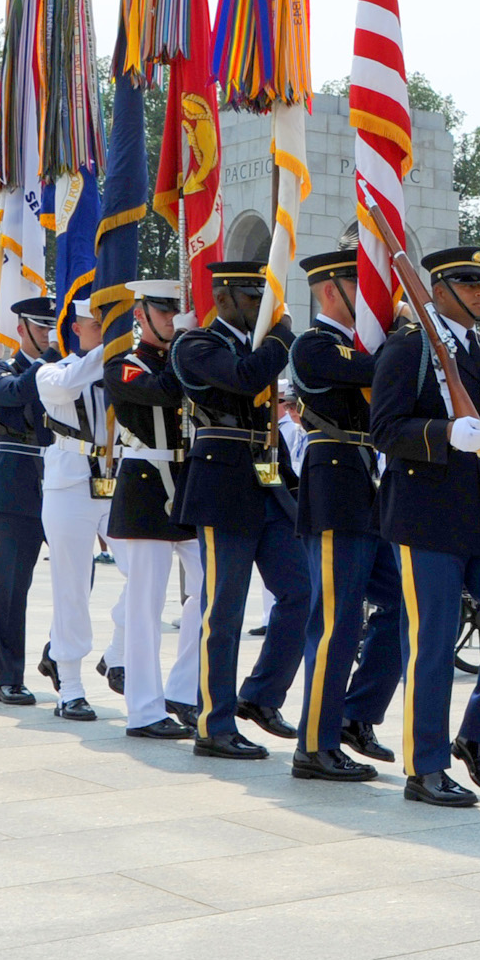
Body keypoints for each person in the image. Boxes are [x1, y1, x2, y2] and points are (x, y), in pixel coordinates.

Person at [370, 245, 480, 807]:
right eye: (467, 285)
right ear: (438, 290)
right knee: (433, 640)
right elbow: (385, 429)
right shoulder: (409, 349)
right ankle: (424, 767)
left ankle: (478, 735)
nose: (479, 294)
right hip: (427, 516)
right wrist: (443, 433)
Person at [169, 261, 313, 760]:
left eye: (266, 298)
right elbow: (245, 377)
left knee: (301, 592)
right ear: (224, 297)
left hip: (268, 484)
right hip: (223, 485)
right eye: (255, 299)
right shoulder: (195, 345)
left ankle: (261, 695)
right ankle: (214, 723)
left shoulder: (258, 344)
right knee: (223, 611)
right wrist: (283, 334)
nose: (263, 308)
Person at [285, 249, 405, 783]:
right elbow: (383, 371)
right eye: (365, 286)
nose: (377, 299)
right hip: (335, 489)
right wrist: (404, 330)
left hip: (370, 494)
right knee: (336, 623)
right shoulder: (312, 346)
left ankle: (356, 715)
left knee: (404, 603)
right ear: (330, 289)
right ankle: (314, 745)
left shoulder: (358, 344)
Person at [105, 281, 202, 740]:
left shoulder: (184, 356)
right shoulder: (124, 365)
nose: (171, 319)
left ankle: (183, 689)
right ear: (142, 314)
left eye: (176, 312)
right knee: (146, 607)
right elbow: (163, 392)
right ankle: (144, 709)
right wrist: (189, 346)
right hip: (146, 488)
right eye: (163, 312)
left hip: (189, 486)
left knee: (212, 591)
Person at [33, 294, 127, 717]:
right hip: (69, 481)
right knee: (70, 586)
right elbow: (71, 386)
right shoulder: (52, 371)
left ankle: (118, 651)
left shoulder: (123, 368)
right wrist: (114, 347)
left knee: (143, 572)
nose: (105, 332)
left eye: (112, 325)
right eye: (98, 324)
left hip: (118, 478)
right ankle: (69, 685)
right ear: (77, 328)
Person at [0, 298, 56, 709]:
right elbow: (12, 395)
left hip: (62, 479)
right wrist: (56, 361)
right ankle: (7, 675)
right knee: (10, 585)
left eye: (53, 326)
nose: (49, 334)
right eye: (42, 327)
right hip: (15, 481)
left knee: (79, 579)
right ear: (22, 328)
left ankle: (57, 653)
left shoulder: (65, 370)